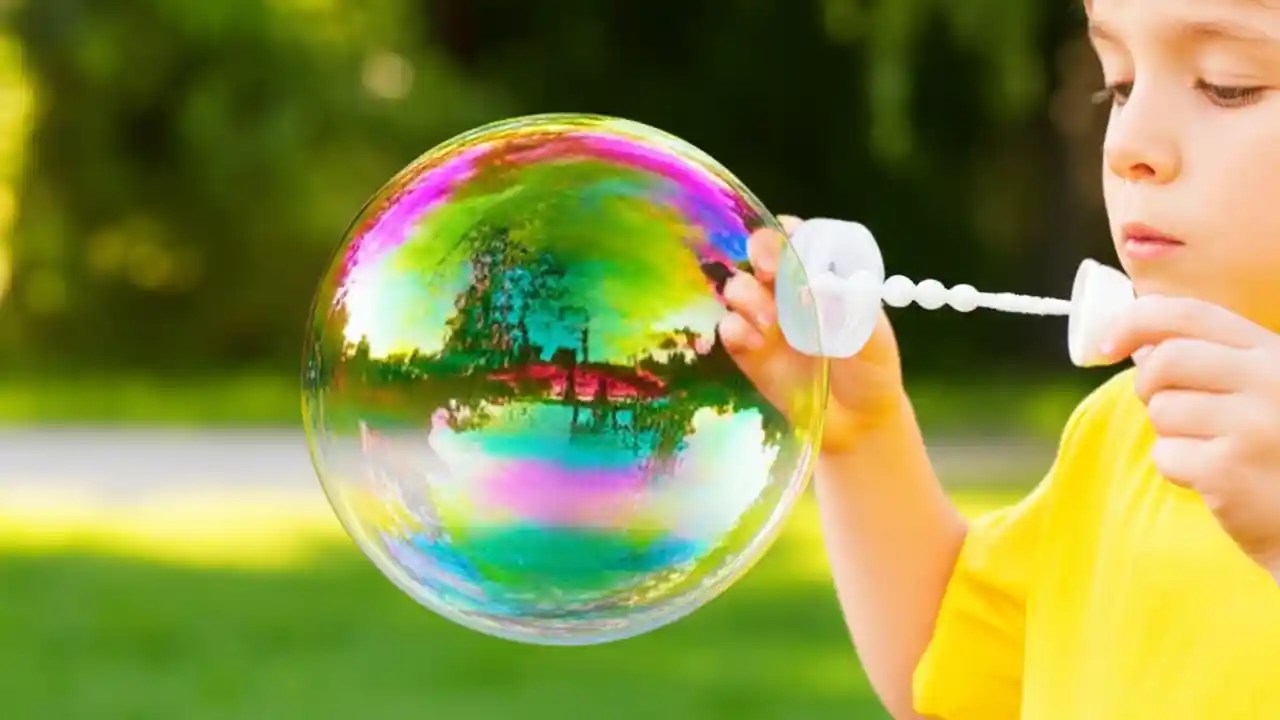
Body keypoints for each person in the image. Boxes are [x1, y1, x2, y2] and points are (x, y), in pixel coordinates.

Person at [718, 0, 1280, 717]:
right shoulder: (1122, 437)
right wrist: (860, 432)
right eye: (1121, 84)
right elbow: (952, 678)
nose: (1127, 142)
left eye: (1226, 84)